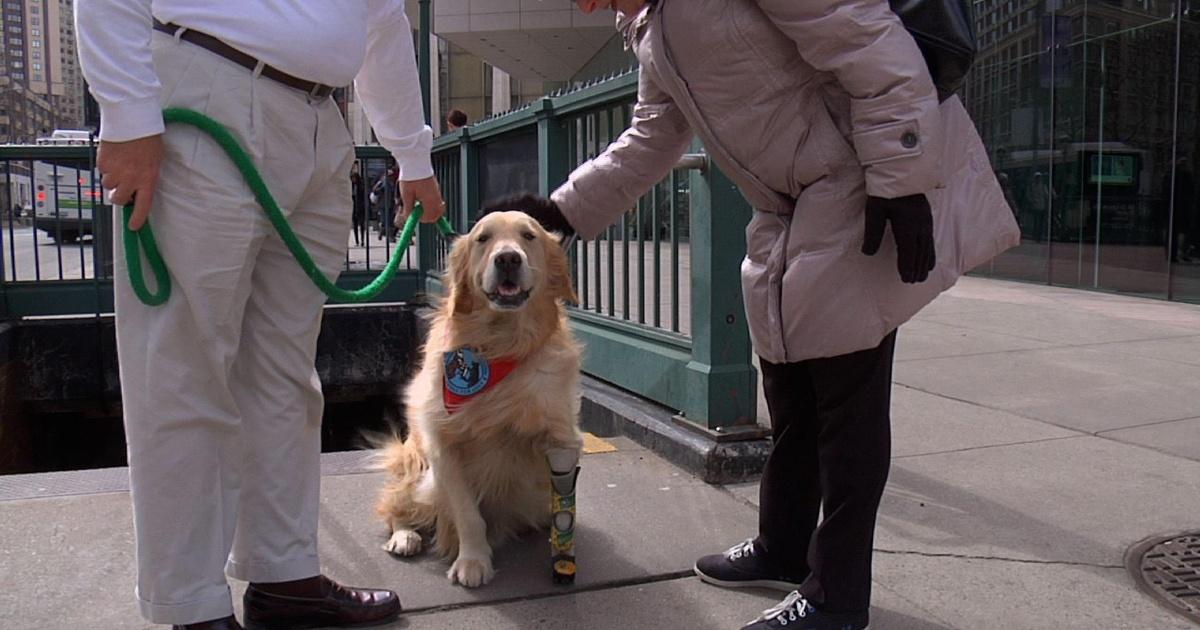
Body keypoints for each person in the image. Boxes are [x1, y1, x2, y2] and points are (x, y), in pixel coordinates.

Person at [498, 1, 1019, 629]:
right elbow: (652, 135)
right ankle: (784, 546)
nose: (584, 3)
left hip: (859, 175)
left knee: (847, 400)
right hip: (789, 200)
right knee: (789, 383)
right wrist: (561, 212)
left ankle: (837, 597)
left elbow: (866, 38)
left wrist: (901, 174)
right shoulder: (650, 24)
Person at [75, 2, 446, 629]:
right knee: (183, 372)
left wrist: (412, 154)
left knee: (285, 374)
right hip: (206, 89)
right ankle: (192, 604)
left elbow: (381, 20)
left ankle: (284, 576)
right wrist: (128, 113)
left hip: (320, 123)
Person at [351, 167, 367, 247]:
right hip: (353, 208)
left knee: (361, 225)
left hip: (360, 208)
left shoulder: (361, 186)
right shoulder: (351, 187)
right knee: (355, 226)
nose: (353, 179)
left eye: (354, 178)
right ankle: (357, 241)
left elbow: (364, 197)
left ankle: (362, 240)